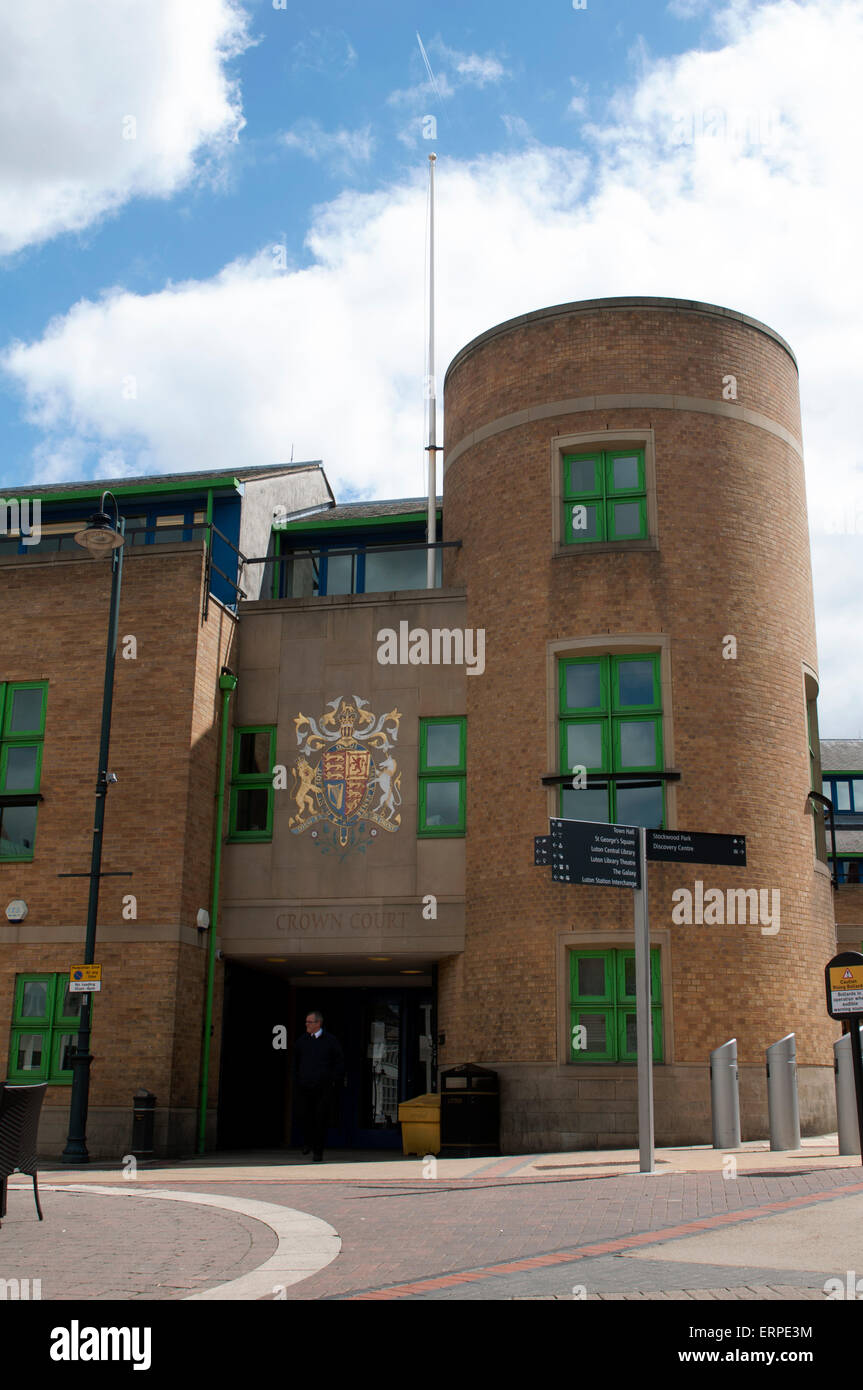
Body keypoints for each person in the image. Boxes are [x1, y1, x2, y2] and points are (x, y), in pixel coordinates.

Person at [292, 1010, 344, 1162]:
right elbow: (296, 1062)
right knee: (304, 1115)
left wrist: (333, 1079)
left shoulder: (330, 1040)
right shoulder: (302, 1041)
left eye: (309, 1022)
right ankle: (307, 1141)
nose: (307, 1025)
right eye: (306, 1022)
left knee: (320, 1118)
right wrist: (297, 1079)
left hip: (323, 1087)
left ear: (318, 1023)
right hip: (305, 1086)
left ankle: (318, 1151)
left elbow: (339, 1061)